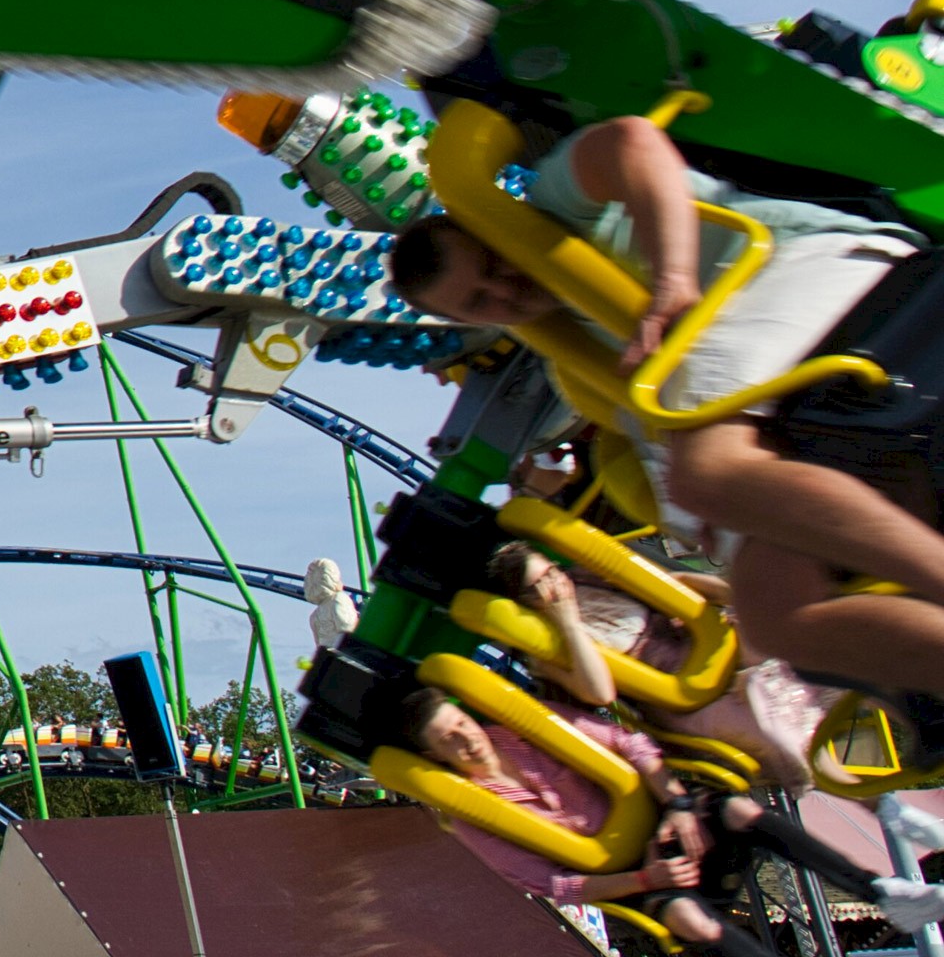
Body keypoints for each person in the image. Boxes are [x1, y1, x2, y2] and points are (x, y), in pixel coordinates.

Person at [391, 113, 944, 693]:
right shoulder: (575, 355)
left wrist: (672, 277)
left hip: (804, 267)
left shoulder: (557, 209)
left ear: (496, 227)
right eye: (480, 301)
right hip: (769, 367)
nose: (504, 289)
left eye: (492, 264)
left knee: (707, 473)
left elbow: (631, 140)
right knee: (774, 618)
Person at [405, 690, 943, 951]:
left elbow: (630, 744)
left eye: (461, 723)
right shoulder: (472, 814)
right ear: (435, 757)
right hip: (634, 878)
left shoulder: (526, 729)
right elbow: (552, 885)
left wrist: (679, 805)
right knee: (691, 921)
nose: (465, 738)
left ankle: (883, 891)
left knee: (739, 809)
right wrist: (647, 878)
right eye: (448, 740)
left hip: (670, 822)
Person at [487, 539, 825, 788]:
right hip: (680, 700)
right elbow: (599, 693)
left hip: (693, 642)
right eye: (538, 586)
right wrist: (568, 620)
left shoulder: (588, 578)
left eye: (551, 572)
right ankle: (822, 771)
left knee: (782, 642)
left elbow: (675, 585)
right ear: (524, 601)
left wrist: (730, 597)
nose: (554, 585)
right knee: (770, 731)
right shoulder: (544, 649)